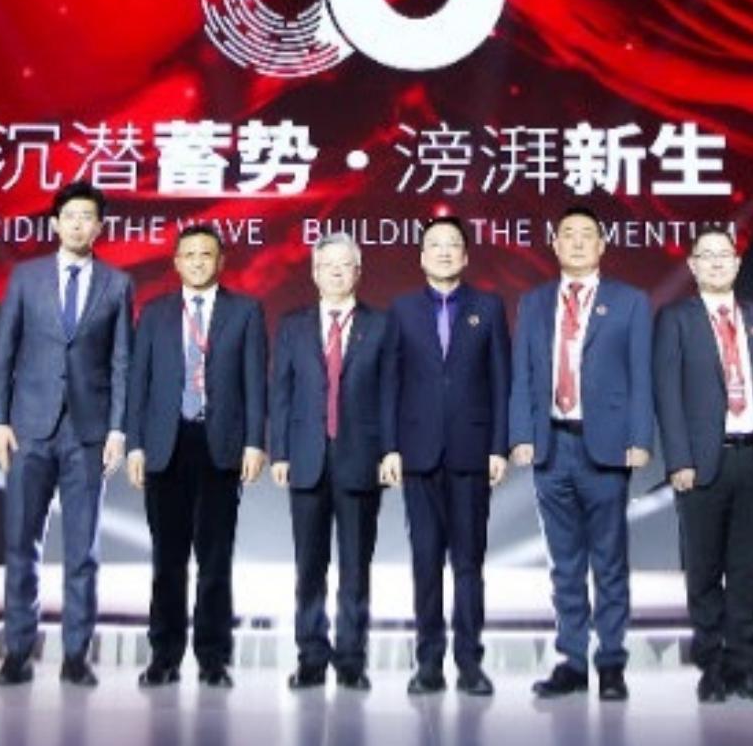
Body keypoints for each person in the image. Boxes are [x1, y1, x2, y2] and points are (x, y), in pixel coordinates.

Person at [0, 181, 134, 688]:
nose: (77, 225)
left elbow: (121, 361)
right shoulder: (26, 277)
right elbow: (5, 351)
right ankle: (17, 652)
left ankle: (76, 654)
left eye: (86, 217)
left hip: (88, 433)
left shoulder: (117, 283)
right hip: (29, 428)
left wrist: (118, 429)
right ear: (55, 223)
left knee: (82, 551)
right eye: (69, 216)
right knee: (20, 544)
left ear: (99, 227)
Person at [507, 202, 654, 700]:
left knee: (609, 560)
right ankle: (571, 660)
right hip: (551, 446)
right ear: (554, 244)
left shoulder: (630, 301)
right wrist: (521, 435)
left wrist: (640, 438)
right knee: (564, 563)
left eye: (585, 234)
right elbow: (523, 374)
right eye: (566, 233)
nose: (575, 241)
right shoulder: (534, 302)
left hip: (606, 448)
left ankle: (611, 662)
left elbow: (641, 375)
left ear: (601, 245)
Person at [124, 224, 267, 688]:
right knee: (167, 560)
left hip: (219, 445)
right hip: (166, 445)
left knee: (215, 558)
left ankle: (213, 658)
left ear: (220, 261)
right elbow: (138, 384)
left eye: (207, 254)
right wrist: (135, 444)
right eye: (190, 255)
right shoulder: (155, 312)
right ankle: (164, 655)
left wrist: (254, 442)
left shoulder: (245, 311)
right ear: (177, 262)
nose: (199, 262)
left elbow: (255, 383)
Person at [652, 225, 753, 703]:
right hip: (700, 464)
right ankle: (710, 667)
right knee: (704, 571)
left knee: (747, 571)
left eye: (723, 255)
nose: (715, 263)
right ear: (692, 266)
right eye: (706, 256)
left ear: (737, 262)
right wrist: (678, 460)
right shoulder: (676, 319)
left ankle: (744, 667)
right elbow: (667, 395)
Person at [380, 212, 505, 696]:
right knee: (425, 560)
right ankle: (428, 663)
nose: (445, 251)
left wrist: (498, 445)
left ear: (466, 255)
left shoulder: (488, 307)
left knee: (469, 563)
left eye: (453, 244)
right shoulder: (402, 309)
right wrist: (390, 446)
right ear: (421, 256)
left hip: (472, 452)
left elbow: (501, 380)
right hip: (418, 452)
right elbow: (391, 382)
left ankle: (470, 663)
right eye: (435, 244)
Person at [269, 234, 396, 689]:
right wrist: (280, 451)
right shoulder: (293, 326)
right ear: (314, 272)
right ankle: (310, 656)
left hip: (361, 459)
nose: (337, 272)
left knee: (355, 568)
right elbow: (281, 392)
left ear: (358, 272)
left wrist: (391, 450)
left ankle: (351, 660)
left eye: (345, 265)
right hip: (306, 459)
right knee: (309, 567)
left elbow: (390, 394)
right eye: (328, 265)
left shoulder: (381, 326)